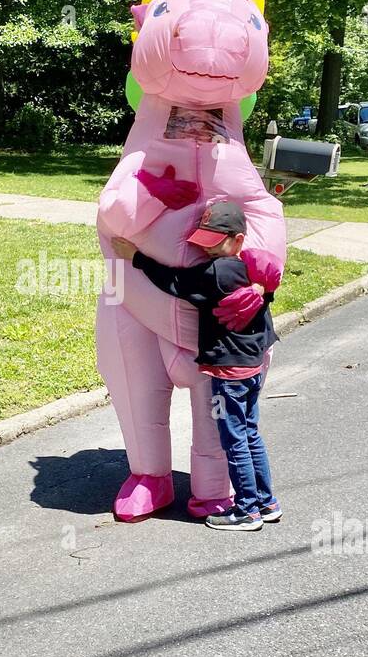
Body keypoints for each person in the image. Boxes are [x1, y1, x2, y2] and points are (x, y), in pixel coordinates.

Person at [112, 200, 282, 532]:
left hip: (228, 374)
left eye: (215, 243)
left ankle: (247, 510)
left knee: (232, 439)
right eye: (204, 243)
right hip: (250, 367)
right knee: (250, 434)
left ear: (237, 239)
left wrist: (136, 257)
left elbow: (175, 281)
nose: (208, 251)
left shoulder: (215, 274)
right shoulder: (248, 270)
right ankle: (267, 501)